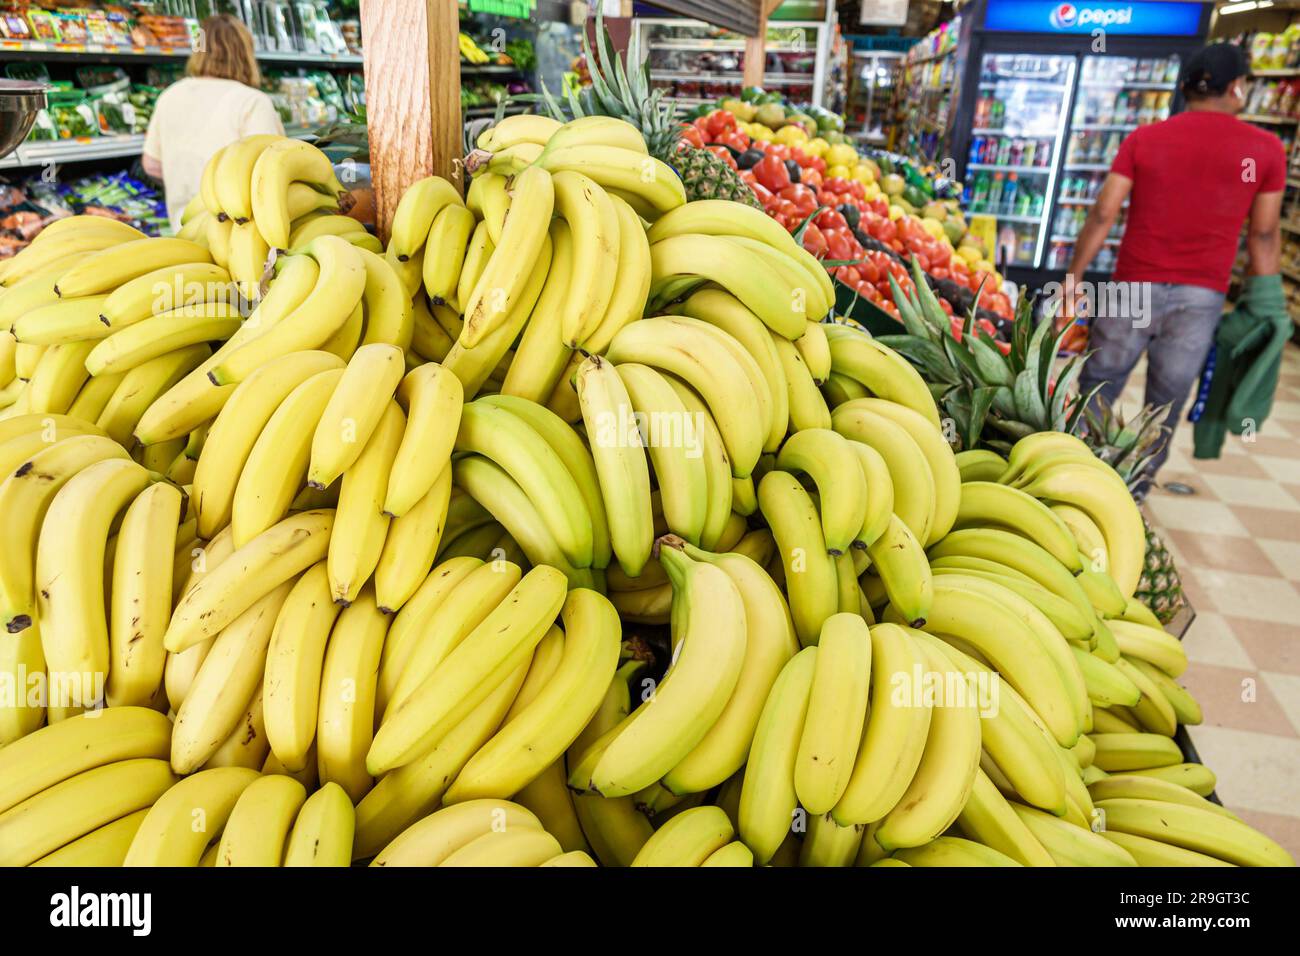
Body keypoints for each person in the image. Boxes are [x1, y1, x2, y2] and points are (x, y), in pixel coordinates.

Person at [1059, 42, 1284, 495]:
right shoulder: (1263, 150)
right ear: (1238, 87)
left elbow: (1104, 212)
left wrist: (1074, 276)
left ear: (1184, 87)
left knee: (1099, 382)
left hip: (1133, 287)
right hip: (1199, 296)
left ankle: (1071, 472)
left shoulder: (1145, 139)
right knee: (1165, 400)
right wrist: (1269, 303)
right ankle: (1134, 491)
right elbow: (1262, 235)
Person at [142, 14, 284, 228]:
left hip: (182, 227)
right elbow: (271, 172)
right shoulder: (251, 101)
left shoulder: (170, 95)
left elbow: (151, 165)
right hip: (239, 232)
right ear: (244, 53)